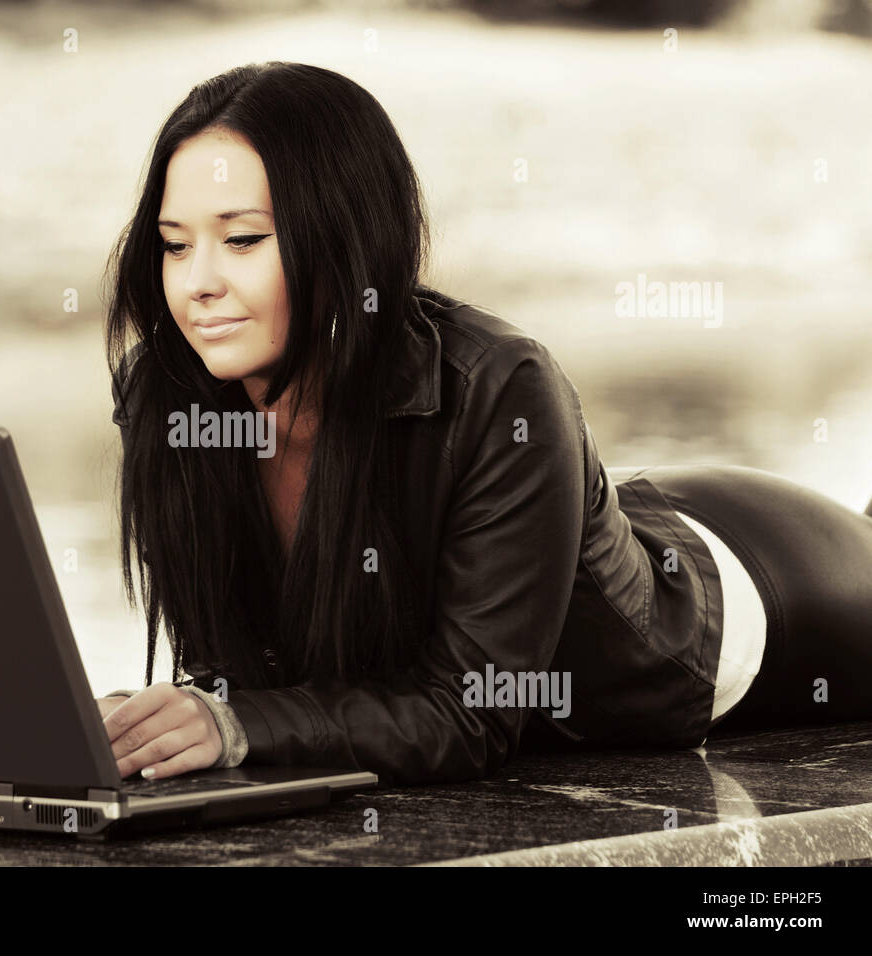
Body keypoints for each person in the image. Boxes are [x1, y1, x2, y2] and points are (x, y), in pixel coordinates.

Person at [93, 62, 872, 788]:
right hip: (622, 517)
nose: (197, 283)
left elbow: (469, 713)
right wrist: (152, 723)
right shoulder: (165, 397)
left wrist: (236, 725)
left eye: (242, 240)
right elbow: (240, 676)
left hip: (766, 592)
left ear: (345, 239)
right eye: (174, 245)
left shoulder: (499, 385)